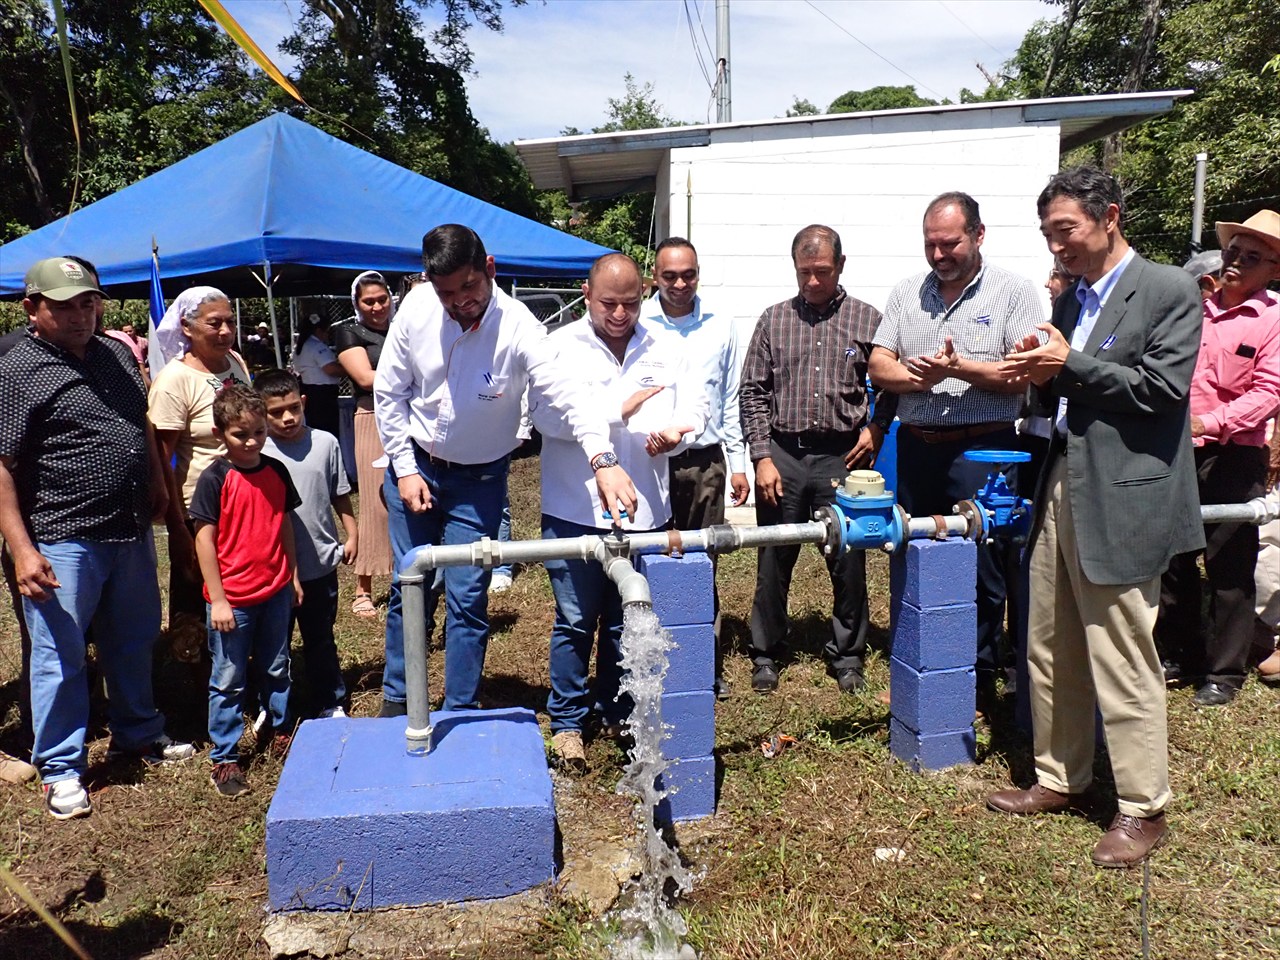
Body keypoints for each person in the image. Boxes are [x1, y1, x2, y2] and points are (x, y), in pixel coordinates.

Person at [988, 165, 1204, 869]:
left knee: (1122, 651)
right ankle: (1059, 775)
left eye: (1067, 231)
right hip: (1063, 486)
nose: (1058, 246)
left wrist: (1068, 363)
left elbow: (1162, 390)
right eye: (1049, 234)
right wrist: (1038, 373)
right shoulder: (1075, 299)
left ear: (1110, 215)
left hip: (1126, 495)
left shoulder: (1168, 288)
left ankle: (1143, 807)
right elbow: (1070, 386)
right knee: (1048, 641)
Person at [374, 224, 637, 717]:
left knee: (467, 595)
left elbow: (567, 395)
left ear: (489, 268)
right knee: (408, 586)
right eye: (446, 292)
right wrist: (405, 469)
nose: (459, 302)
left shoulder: (519, 328)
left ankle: (460, 706)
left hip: (478, 481)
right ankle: (396, 698)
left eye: (469, 287)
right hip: (414, 467)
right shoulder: (415, 309)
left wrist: (603, 460)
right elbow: (390, 392)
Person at [0, 257, 195, 820]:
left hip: (129, 526)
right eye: (64, 305)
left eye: (88, 302)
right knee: (59, 654)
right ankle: (61, 767)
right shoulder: (17, 370)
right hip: (62, 534)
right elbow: (2, 464)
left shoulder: (114, 354)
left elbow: (140, 426)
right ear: (31, 307)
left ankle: (138, 731)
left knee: (132, 639)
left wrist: (159, 483)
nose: (80, 314)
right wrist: (21, 548)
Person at [531, 253, 707, 769]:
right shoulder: (559, 346)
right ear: (587, 295)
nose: (619, 314)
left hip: (646, 508)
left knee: (624, 619)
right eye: (608, 303)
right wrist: (617, 410)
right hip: (574, 505)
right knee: (575, 619)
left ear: (645, 294)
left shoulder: (667, 346)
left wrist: (675, 438)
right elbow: (544, 417)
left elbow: (692, 409)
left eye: (630, 303)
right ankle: (566, 721)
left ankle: (613, 706)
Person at [868, 192, 1045, 706]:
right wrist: (917, 379)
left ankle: (981, 671)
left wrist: (958, 369)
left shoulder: (1012, 293)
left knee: (984, 560)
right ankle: (922, 658)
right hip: (919, 448)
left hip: (983, 450)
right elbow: (880, 365)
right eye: (931, 244)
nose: (939, 254)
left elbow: (1022, 377)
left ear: (978, 235)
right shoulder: (907, 293)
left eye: (950, 243)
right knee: (917, 552)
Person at [740, 225, 895, 695]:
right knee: (774, 554)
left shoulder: (869, 320)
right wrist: (762, 457)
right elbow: (753, 391)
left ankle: (848, 655)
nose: (812, 282)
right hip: (784, 454)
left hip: (842, 455)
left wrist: (876, 428)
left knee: (847, 558)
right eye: (804, 272)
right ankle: (766, 651)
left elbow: (893, 382)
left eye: (821, 272)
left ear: (841, 266)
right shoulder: (773, 320)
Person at [1158, 210, 1280, 706]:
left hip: (1234, 455)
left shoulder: (1274, 319)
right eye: (1233, 252)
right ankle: (1180, 653)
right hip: (1177, 450)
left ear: (1274, 269)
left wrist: (1210, 423)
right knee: (1174, 559)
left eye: (1253, 257)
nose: (1237, 262)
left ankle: (1224, 673)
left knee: (1229, 565)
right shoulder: (1194, 309)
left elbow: (1270, 391)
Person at [640, 237, 748, 698]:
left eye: (689, 274)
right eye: (670, 276)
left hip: (705, 463)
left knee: (701, 563)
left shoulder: (720, 325)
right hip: (648, 463)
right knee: (648, 561)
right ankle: (650, 662)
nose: (680, 284)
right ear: (655, 276)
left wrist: (738, 462)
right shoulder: (637, 321)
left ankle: (704, 665)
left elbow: (730, 401)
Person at [190, 385, 303, 798]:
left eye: (258, 431)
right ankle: (224, 756)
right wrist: (217, 598)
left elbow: (285, 523)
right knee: (229, 676)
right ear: (221, 434)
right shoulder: (215, 479)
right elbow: (204, 540)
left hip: (274, 591)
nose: (252, 441)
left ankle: (280, 731)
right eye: (241, 434)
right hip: (232, 600)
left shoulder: (275, 471)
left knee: (277, 665)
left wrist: (290, 575)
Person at [148, 288, 252, 658]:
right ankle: (195, 690)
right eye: (215, 323)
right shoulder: (175, 380)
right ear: (187, 328)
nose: (225, 331)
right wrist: (178, 529)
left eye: (230, 321)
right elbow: (162, 459)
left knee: (241, 593)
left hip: (246, 506)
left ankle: (239, 670)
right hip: (201, 513)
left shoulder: (236, 364)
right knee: (197, 603)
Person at [257, 369, 358, 719]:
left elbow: (339, 495)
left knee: (320, 638)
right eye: (275, 412)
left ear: (303, 403)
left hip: (319, 562)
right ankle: (272, 708)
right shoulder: (256, 451)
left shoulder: (325, 443)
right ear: (260, 411)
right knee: (274, 643)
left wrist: (352, 534)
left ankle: (330, 700)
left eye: (292, 409)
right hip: (274, 571)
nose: (287, 418)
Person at [332, 272, 396, 618]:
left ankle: (410, 574)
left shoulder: (402, 328)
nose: (376, 306)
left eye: (381, 299)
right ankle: (363, 587)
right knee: (375, 501)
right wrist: (413, 371)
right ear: (357, 303)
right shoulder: (348, 332)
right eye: (368, 301)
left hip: (408, 417)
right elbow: (363, 378)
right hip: (372, 418)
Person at [290, 314, 343, 436]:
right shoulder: (317, 346)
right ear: (319, 331)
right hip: (323, 395)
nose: (327, 335)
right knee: (328, 430)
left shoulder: (300, 346)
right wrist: (350, 369)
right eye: (326, 331)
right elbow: (331, 369)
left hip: (310, 391)